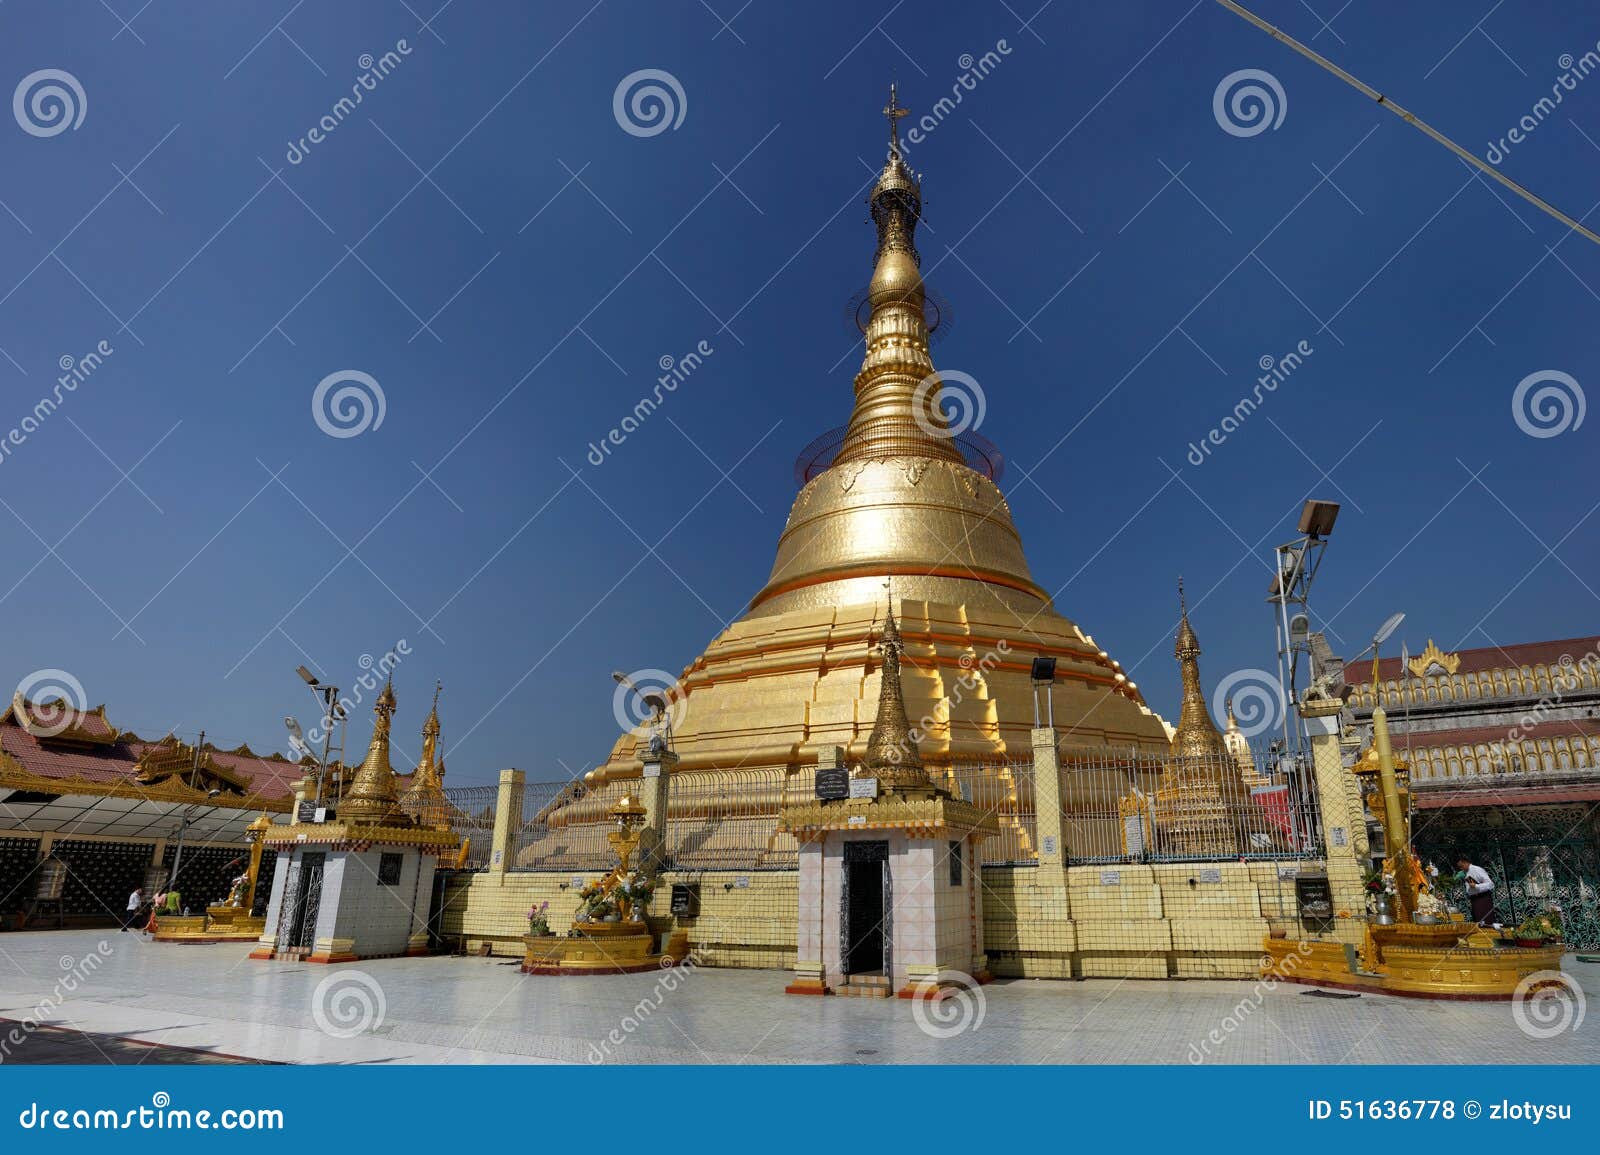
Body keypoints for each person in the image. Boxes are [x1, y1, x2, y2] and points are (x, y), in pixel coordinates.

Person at [1457, 856, 1495, 925]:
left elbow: (1490, 884)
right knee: (1479, 922)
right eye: (1459, 867)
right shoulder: (1465, 872)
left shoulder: (1477, 869)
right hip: (1475, 900)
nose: (1461, 869)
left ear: (1466, 863)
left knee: (1486, 921)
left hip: (1483, 898)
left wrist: (1476, 886)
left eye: (1462, 866)